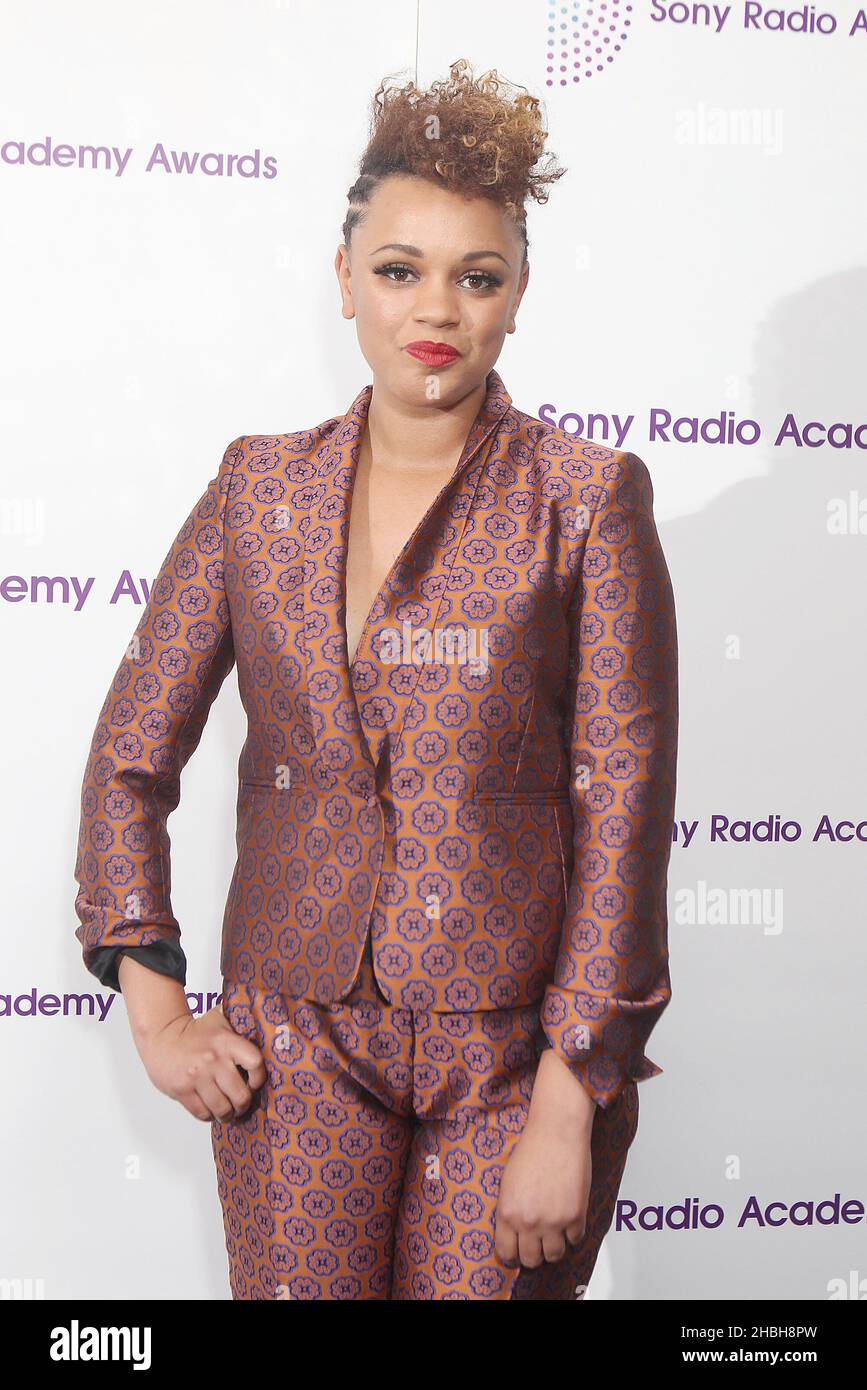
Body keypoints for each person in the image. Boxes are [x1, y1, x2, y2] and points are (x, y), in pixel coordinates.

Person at [73, 58, 678, 1300]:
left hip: (515, 1061)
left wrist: (572, 1097)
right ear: (343, 279)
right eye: (400, 269)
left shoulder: (584, 501)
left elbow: (624, 807)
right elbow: (131, 752)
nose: (434, 309)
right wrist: (155, 1008)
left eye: (477, 275)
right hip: (291, 1043)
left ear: (519, 294)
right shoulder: (257, 490)